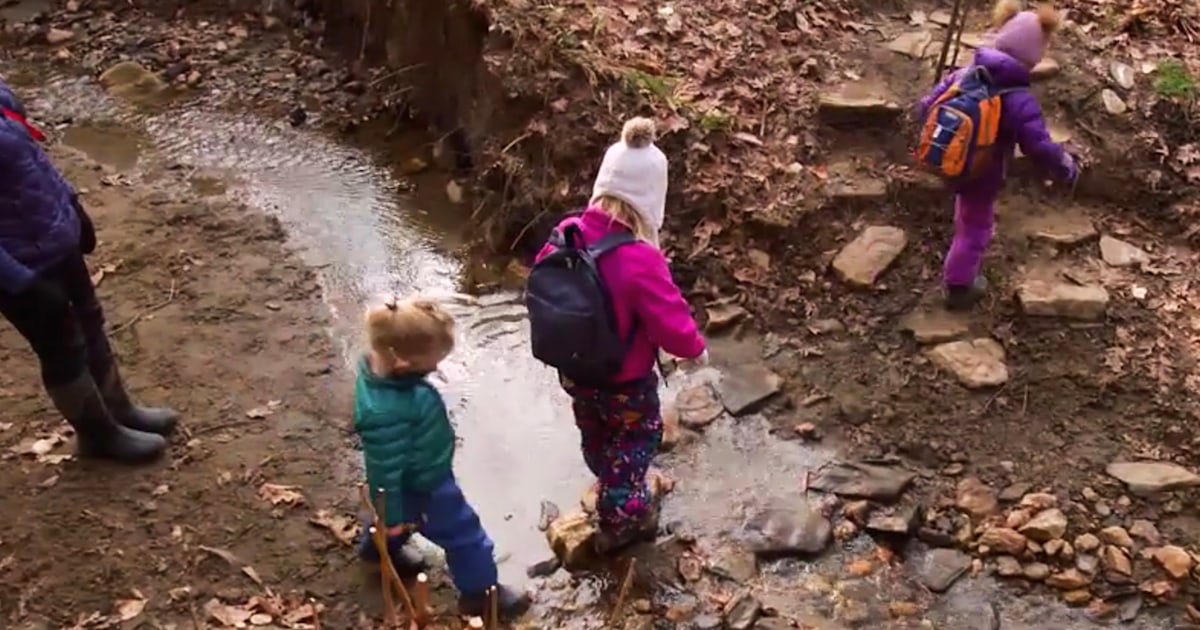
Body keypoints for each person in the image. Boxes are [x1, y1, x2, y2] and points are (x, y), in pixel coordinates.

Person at [532, 117, 708, 554]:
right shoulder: (638, 258)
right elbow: (673, 326)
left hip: (573, 369)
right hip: (624, 380)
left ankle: (605, 475)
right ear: (653, 199)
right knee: (638, 436)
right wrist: (695, 350)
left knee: (595, 430)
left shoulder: (564, 236)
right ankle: (622, 514)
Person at [0, 78, 177, 463]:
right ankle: (98, 435)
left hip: (54, 238)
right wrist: (20, 284)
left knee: (90, 322)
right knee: (62, 349)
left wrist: (72, 205)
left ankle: (119, 409)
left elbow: (35, 160)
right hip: (20, 265)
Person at [353, 296, 530, 619]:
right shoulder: (386, 411)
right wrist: (390, 516)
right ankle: (481, 595)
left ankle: (377, 551)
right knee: (465, 536)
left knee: (395, 518)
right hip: (425, 487)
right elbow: (384, 471)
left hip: (415, 477)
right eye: (432, 362)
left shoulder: (377, 371)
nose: (436, 367)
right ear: (403, 362)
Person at [917, 0, 1077, 310]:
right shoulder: (1019, 99)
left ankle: (958, 263)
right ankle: (959, 286)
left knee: (965, 212)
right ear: (1034, 56)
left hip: (946, 155)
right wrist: (1064, 166)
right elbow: (1039, 146)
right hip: (981, 172)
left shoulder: (966, 72)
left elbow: (928, 104)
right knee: (976, 227)